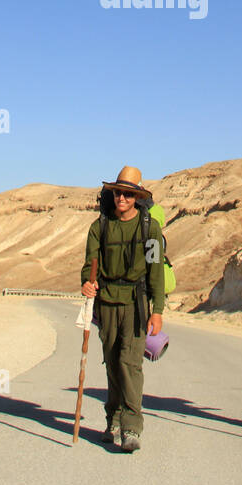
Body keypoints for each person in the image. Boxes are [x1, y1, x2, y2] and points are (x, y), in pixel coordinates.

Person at [81, 166, 165, 452]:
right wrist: (86, 283)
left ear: (137, 197)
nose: (121, 198)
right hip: (106, 303)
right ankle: (112, 419)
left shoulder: (150, 228)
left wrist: (158, 309)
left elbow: (156, 270)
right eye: (118, 192)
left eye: (128, 194)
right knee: (113, 362)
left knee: (130, 363)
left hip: (136, 303)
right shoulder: (99, 227)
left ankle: (132, 428)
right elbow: (89, 262)